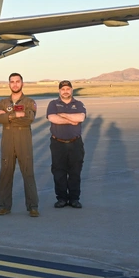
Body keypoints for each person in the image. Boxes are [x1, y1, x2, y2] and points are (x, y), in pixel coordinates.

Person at [0, 72, 39, 216]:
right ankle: (4, 206)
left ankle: (32, 206)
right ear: (9, 84)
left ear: (22, 83)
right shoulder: (3, 102)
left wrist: (7, 116)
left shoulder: (29, 102)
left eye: (17, 81)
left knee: (28, 172)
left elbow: (28, 119)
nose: (15, 84)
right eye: (12, 82)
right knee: (5, 172)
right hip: (7, 139)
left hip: (23, 139)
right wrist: (15, 115)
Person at [47, 80, 87, 208]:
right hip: (58, 143)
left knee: (75, 171)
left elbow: (80, 118)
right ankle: (62, 198)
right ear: (59, 91)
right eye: (63, 89)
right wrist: (71, 120)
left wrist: (63, 115)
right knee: (59, 172)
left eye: (68, 89)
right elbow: (53, 118)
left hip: (75, 143)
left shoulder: (78, 104)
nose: (65, 91)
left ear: (71, 90)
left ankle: (74, 199)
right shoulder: (53, 104)